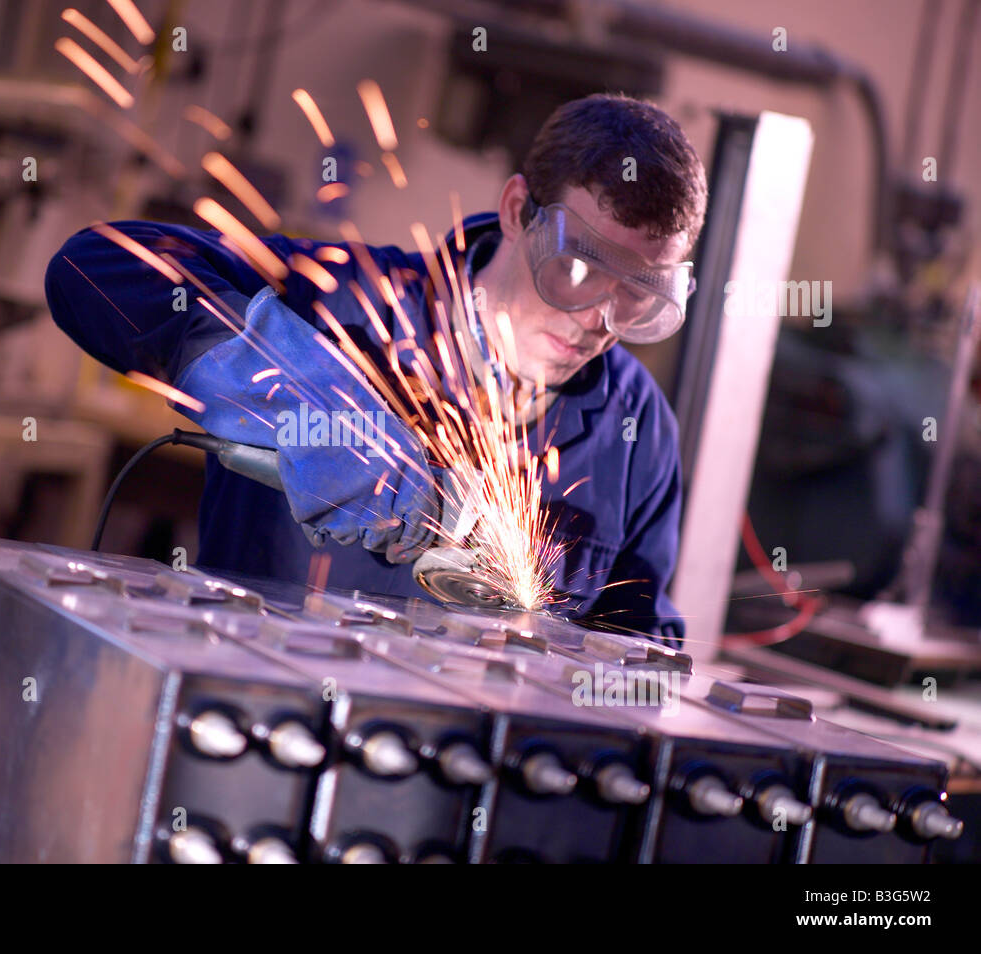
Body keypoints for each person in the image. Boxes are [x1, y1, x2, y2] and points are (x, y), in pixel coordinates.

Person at [44, 93, 707, 646]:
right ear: (516, 211)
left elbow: (637, 652)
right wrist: (300, 392)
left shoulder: (637, 425)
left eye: (637, 293)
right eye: (579, 270)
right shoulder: (344, 301)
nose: (599, 316)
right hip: (255, 718)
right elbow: (94, 266)